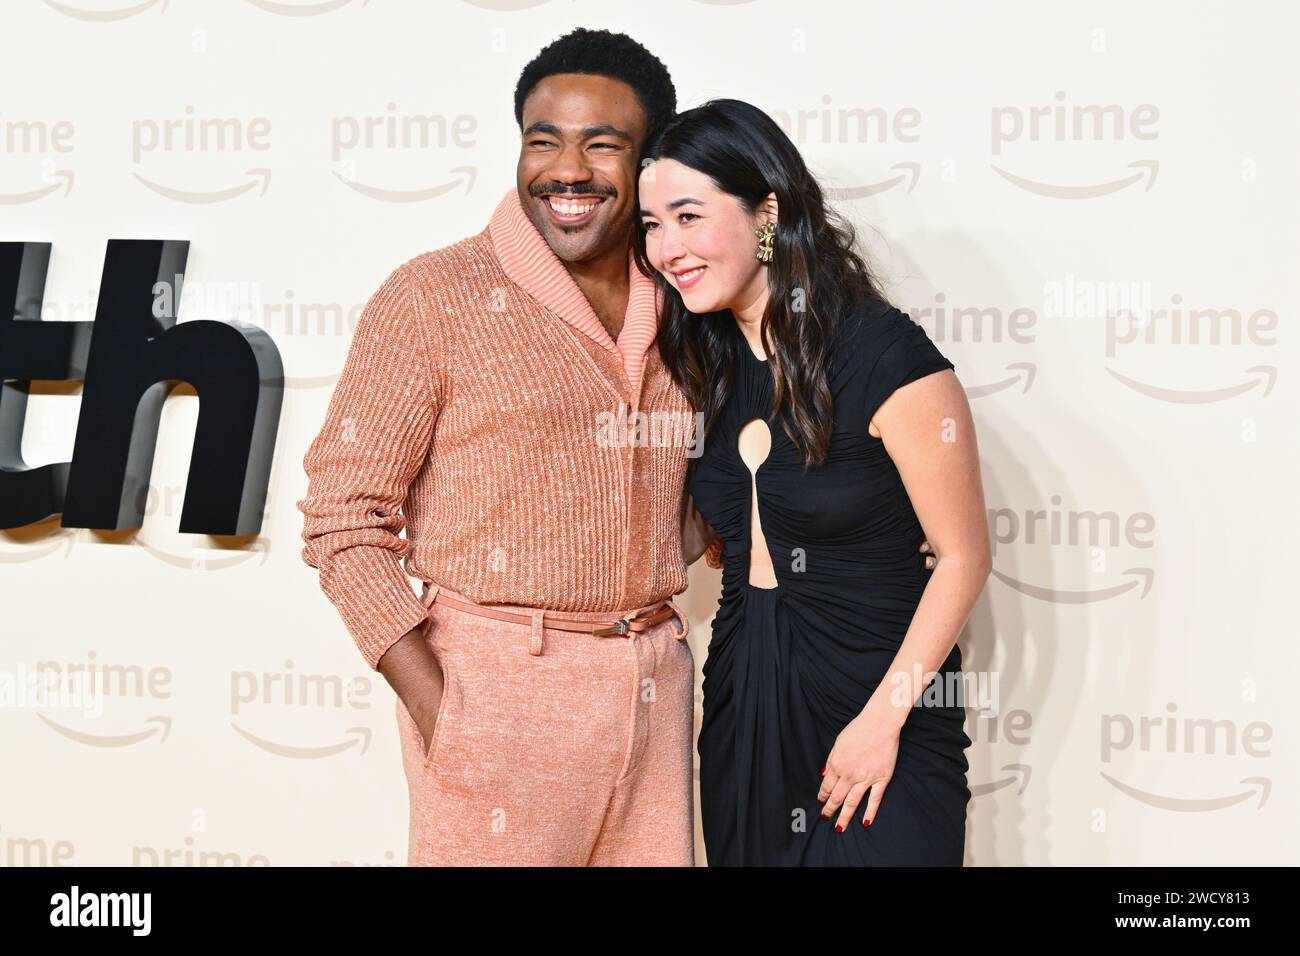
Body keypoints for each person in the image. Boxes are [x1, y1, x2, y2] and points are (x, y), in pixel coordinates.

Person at [296, 29, 699, 866]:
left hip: (656, 686)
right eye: (543, 139)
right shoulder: (431, 296)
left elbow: (710, 488)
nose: (568, 169)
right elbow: (342, 518)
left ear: (650, 160)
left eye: (602, 143)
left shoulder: (690, 305)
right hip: (496, 687)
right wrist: (446, 708)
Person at [637, 99, 992, 865]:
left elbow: (963, 558)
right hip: (745, 709)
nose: (667, 247)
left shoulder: (886, 355)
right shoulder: (706, 368)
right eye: (653, 225)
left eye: (689, 216)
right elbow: (703, 540)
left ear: (767, 212)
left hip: (878, 710)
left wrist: (883, 721)